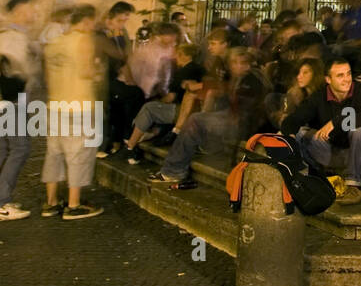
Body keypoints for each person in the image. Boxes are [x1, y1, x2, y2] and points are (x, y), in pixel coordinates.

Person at [151, 47, 267, 185]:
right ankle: (175, 166)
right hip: (232, 116)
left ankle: (174, 171)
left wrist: (224, 93)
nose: (237, 66)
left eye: (241, 63)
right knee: (197, 118)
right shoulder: (237, 78)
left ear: (248, 64)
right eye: (234, 62)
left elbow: (245, 107)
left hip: (241, 122)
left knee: (195, 120)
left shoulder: (252, 80)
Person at [281, 55, 361, 205]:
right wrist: (288, 133)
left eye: (348, 74)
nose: (347, 79)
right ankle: (314, 179)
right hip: (335, 152)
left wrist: (335, 122)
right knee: (301, 133)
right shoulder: (320, 96)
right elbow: (295, 118)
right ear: (328, 79)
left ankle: (353, 187)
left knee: (358, 131)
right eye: (340, 75)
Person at [41, 5, 104, 220]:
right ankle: (74, 204)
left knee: (54, 153)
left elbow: (48, 78)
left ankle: (51, 203)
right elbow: (86, 71)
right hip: (80, 104)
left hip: (55, 105)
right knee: (78, 154)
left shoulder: (53, 44)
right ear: (86, 21)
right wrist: (97, 72)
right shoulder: (83, 40)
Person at [0, 0, 42, 221]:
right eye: (30, 9)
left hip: (10, 101)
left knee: (5, 149)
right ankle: (2, 203)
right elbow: (11, 73)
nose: (34, 13)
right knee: (20, 148)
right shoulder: (12, 38)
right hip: (11, 102)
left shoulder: (14, 36)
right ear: (17, 11)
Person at [123, 62, 206, 164]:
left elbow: (171, 97)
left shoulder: (184, 72)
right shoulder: (199, 69)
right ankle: (133, 144)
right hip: (188, 109)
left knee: (149, 108)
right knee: (149, 109)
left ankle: (130, 147)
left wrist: (159, 102)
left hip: (186, 111)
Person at [98, 1, 140, 157]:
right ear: (110, 17)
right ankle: (103, 145)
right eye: (120, 20)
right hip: (102, 77)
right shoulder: (101, 33)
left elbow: (128, 54)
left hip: (117, 77)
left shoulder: (122, 32)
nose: (123, 24)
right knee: (105, 110)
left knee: (118, 107)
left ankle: (116, 140)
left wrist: (129, 73)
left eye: (125, 20)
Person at [269, 56, 325, 128]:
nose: (299, 76)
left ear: (316, 74)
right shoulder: (297, 94)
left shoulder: (322, 96)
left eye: (305, 72)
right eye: (299, 72)